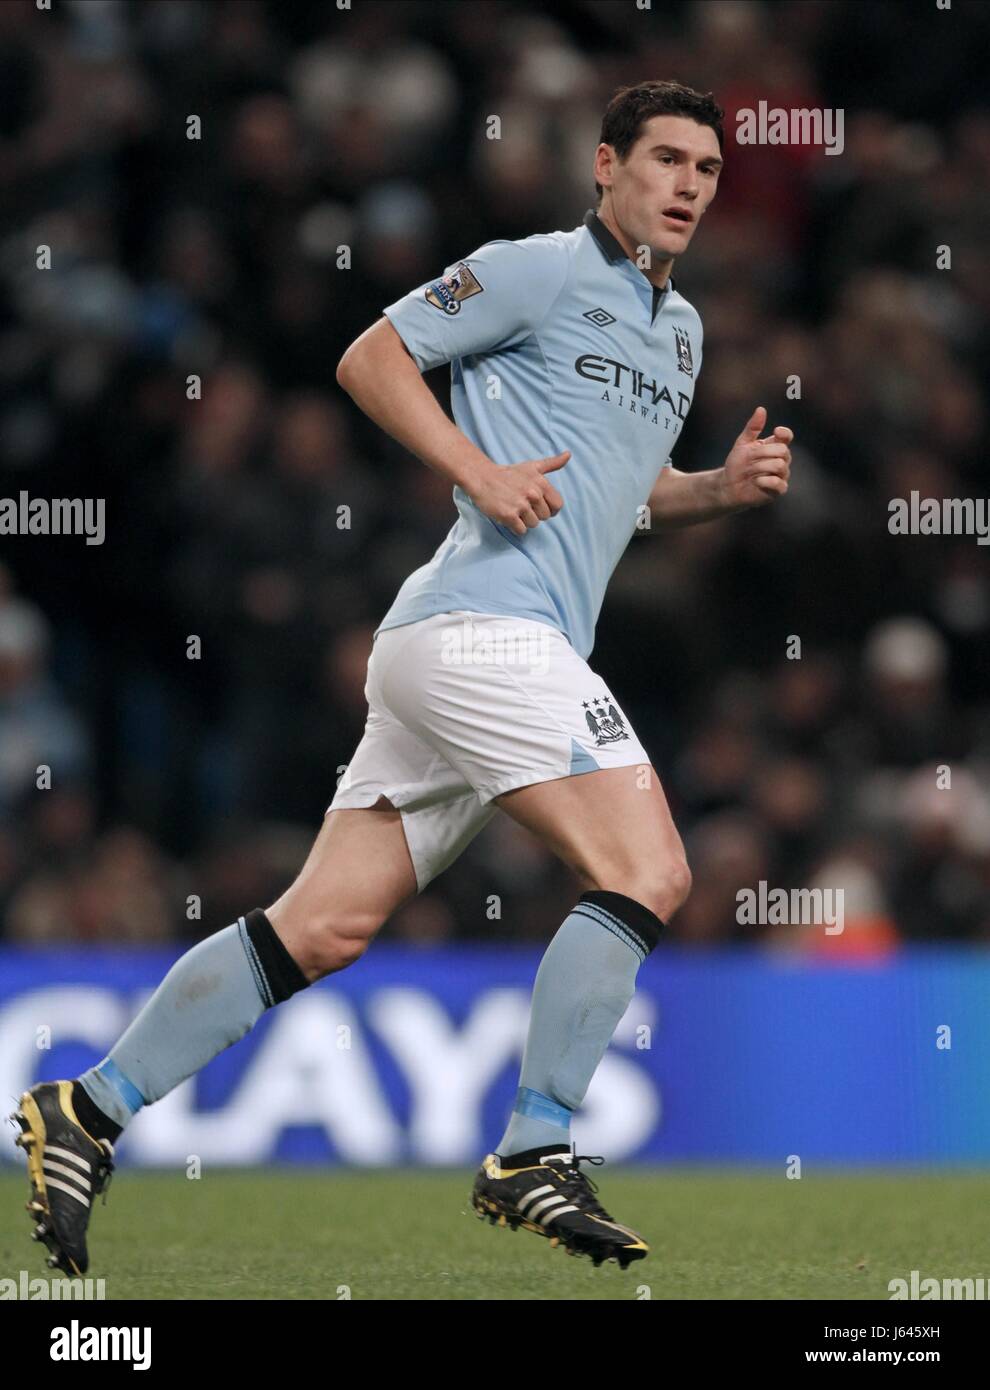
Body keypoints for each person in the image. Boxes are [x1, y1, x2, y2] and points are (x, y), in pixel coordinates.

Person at [12, 79, 793, 1275]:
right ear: (604, 166)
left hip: (477, 652)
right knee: (651, 868)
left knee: (321, 926)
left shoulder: (679, 333)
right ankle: (537, 1147)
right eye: (667, 160)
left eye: (709, 170)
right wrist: (476, 470)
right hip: (485, 629)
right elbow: (370, 358)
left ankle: (90, 1108)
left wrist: (711, 492)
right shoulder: (532, 269)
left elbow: (618, 499)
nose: (689, 185)